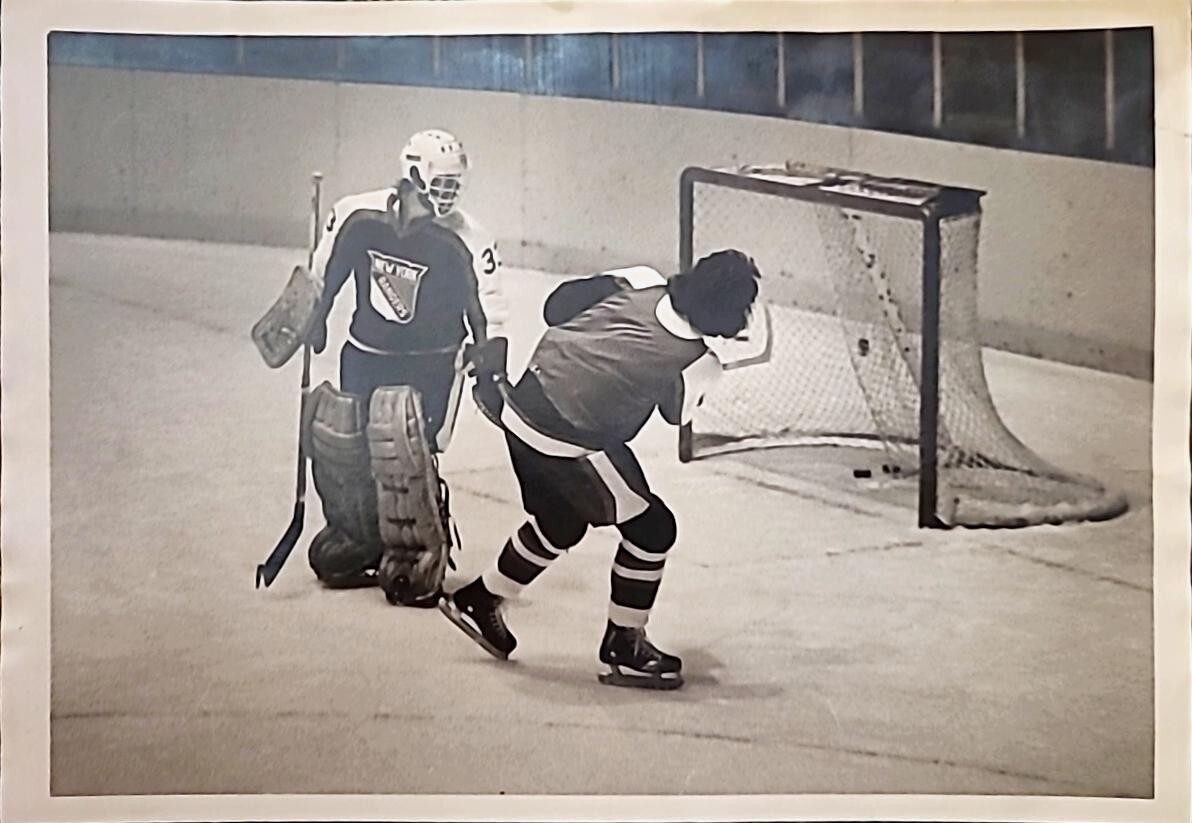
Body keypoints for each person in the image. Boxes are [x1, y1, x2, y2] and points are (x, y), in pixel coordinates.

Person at [441, 250, 761, 689]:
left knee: (562, 521)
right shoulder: (699, 363)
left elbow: (556, 308)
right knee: (653, 529)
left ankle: (479, 598)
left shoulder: (640, 278)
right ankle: (624, 643)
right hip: (569, 441)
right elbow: (676, 413)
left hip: (521, 408)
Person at [302, 129, 507, 597]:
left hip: (432, 363)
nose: (449, 192)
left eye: (456, 182)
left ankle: (416, 551)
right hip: (366, 353)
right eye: (442, 181)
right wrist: (314, 315)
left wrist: (488, 354)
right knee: (347, 448)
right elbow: (325, 267)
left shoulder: (468, 237)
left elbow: (489, 302)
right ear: (413, 172)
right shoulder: (358, 214)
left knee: (408, 453)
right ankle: (360, 537)